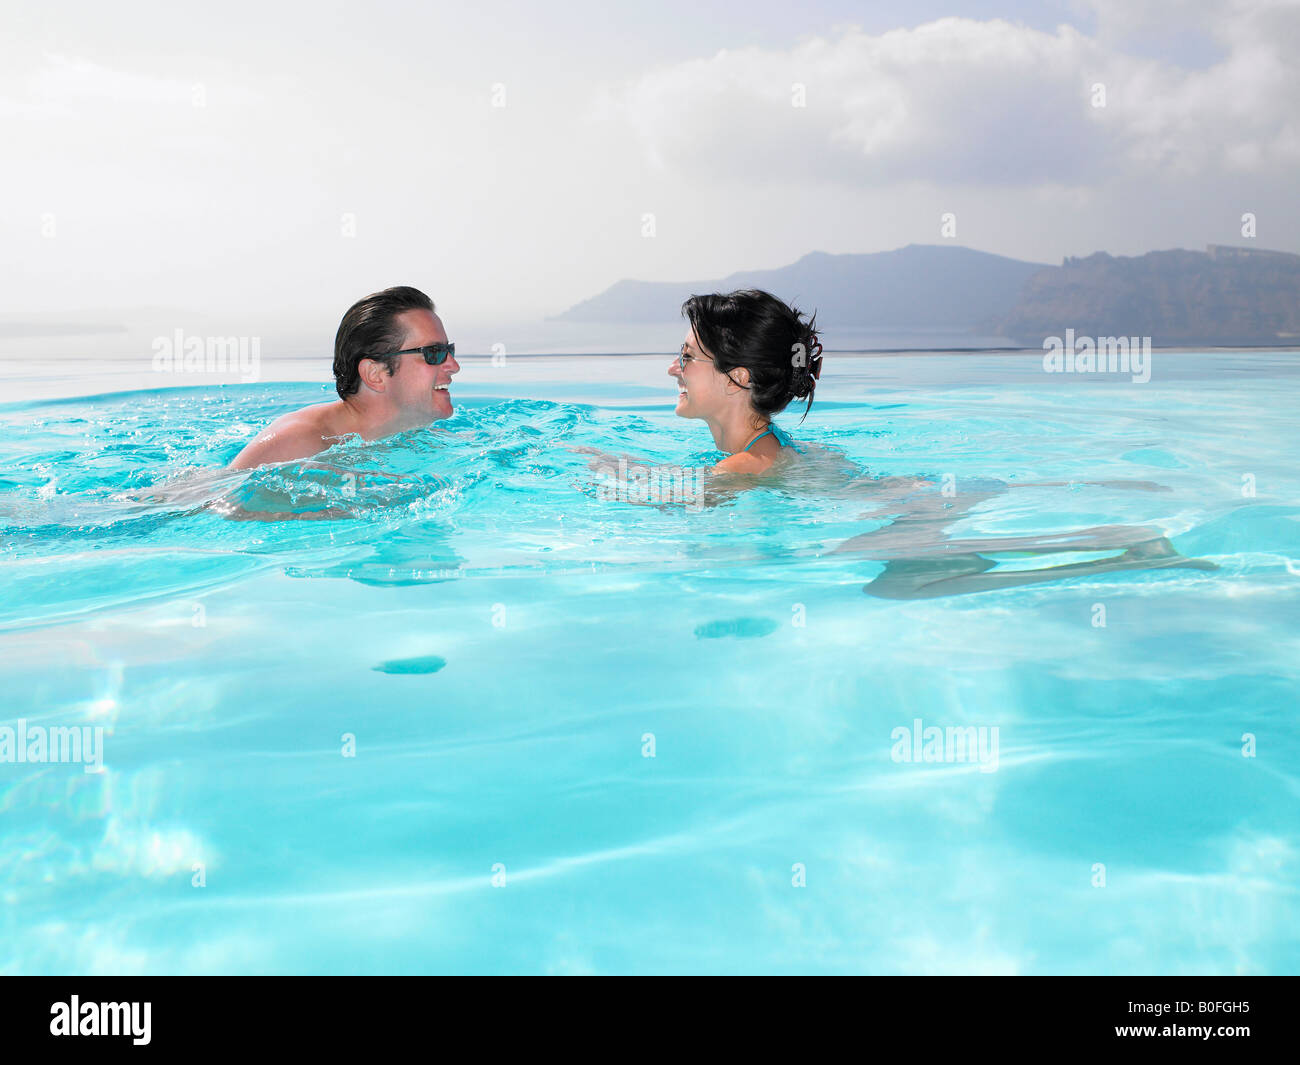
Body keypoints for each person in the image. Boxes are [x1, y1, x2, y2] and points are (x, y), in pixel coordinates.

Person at [229, 285, 459, 469]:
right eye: (434, 353)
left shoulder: (418, 433)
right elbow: (211, 506)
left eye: (449, 351)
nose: (454, 365)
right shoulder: (298, 441)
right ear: (375, 374)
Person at [669, 289, 821, 474]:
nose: (672, 369)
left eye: (687, 356)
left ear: (736, 379)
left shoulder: (738, 469)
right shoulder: (776, 447)